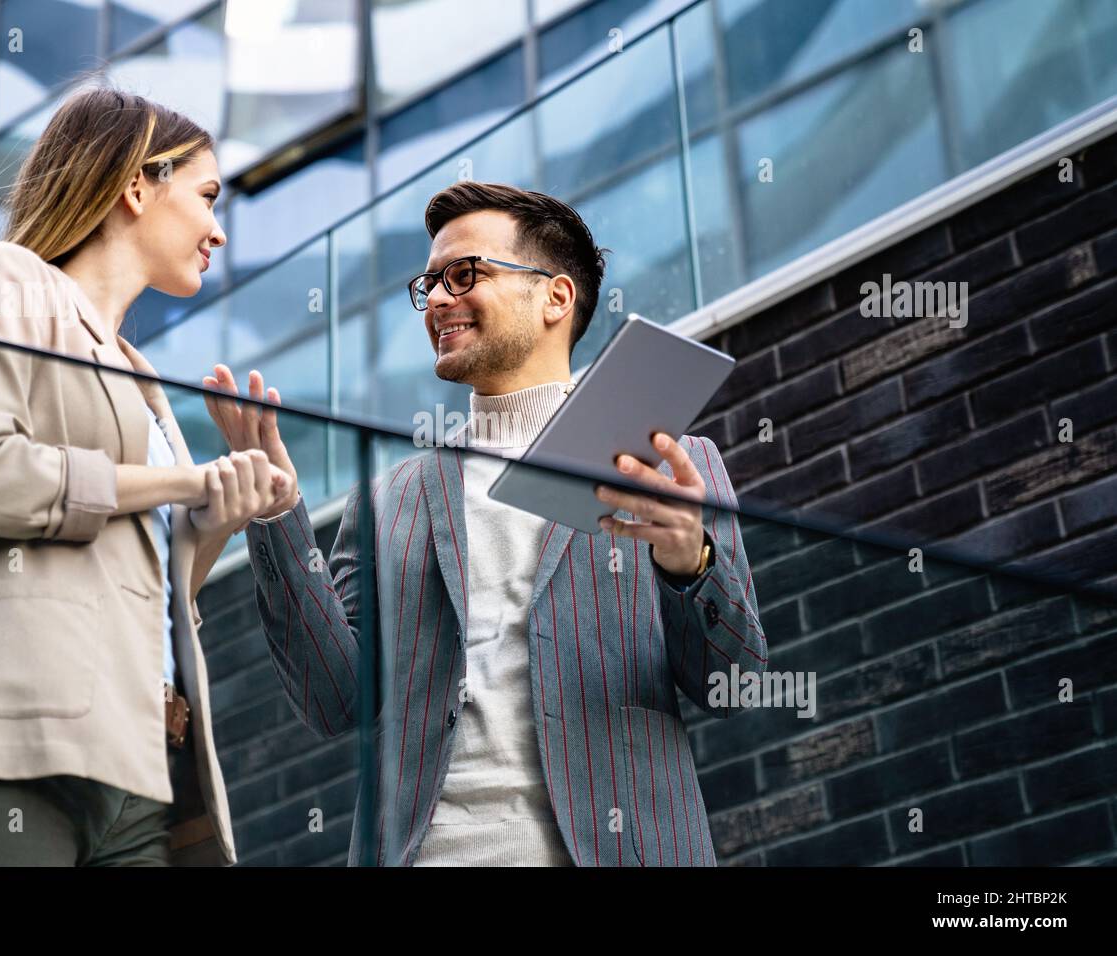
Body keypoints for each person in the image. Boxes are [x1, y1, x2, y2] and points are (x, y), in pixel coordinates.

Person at [203, 182, 766, 866]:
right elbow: (333, 699)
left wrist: (690, 561)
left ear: (556, 297)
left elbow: (732, 682)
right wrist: (275, 513)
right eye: (430, 283)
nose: (437, 299)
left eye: (465, 274)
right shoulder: (390, 500)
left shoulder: (670, 462)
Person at [0, 87, 292, 866]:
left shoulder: (145, 382)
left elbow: (137, 581)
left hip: (140, 773)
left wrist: (213, 524)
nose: (219, 229)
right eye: (207, 196)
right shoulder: (3, 281)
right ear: (138, 185)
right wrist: (180, 485)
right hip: (3, 743)